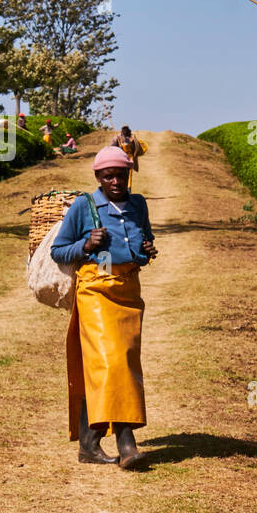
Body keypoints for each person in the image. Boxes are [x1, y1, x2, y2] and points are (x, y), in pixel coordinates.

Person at [51, 147, 158, 469]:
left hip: (128, 290)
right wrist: (85, 245)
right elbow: (58, 251)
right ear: (97, 177)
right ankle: (127, 444)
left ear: (129, 175)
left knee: (116, 362)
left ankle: (89, 444)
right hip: (95, 290)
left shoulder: (138, 204)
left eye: (121, 175)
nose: (115, 181)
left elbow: (144, 241)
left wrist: (147, 249)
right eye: (108, 176)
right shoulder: (84, 207)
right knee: (112, 363)